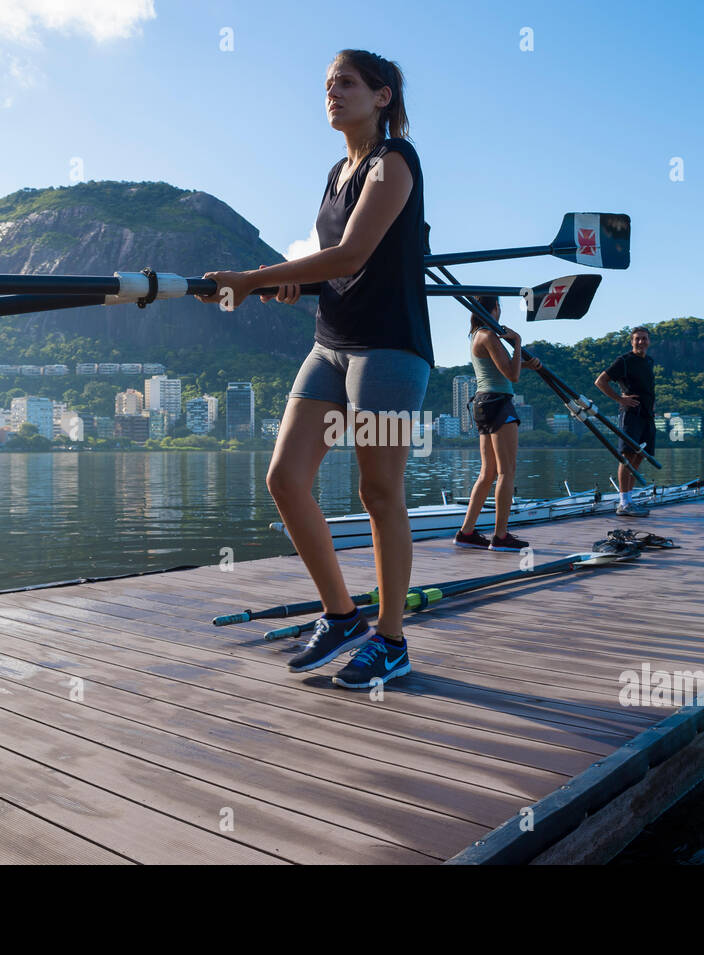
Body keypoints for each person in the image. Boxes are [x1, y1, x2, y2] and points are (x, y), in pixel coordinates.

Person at [197, 50, 432, 688]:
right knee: (285, 477)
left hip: (388, 349)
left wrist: (251, 279)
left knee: (379, 493)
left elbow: (353, 252)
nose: (332, 93)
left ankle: (391, 639)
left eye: (346, 83)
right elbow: (333, 259)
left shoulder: (395, 163)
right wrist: (294, 283)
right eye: (327, 85)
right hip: (331, 344)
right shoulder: (336, 172)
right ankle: (341, 613)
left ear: (382, 96)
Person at [454, 295, 544, 552]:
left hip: (483, 403)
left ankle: (466, 532)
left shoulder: (476, 335)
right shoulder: (489, 336)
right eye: (498, 308)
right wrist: (517, 343)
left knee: (488, 473)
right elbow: (511, 375)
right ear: (494, 309)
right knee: (507, 471)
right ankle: (501, 536)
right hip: (497, 403)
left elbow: (503, 368)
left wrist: (526, 363)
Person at [595, 326, 655, 517]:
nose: (641, 342)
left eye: (644, 338)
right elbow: (600, 381)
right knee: (627, 456)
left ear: (649, 341)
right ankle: (623, 502)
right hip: (630, 415)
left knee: (639, 456)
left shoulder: (649, 361)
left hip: (647, 416)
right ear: (632, 342)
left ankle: (629, 500)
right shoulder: (624, 361)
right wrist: (619, 399)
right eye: (637, 339)